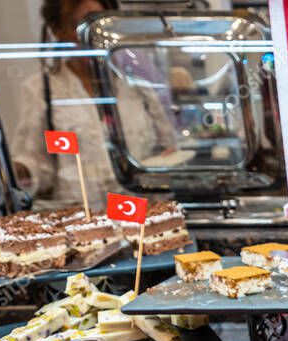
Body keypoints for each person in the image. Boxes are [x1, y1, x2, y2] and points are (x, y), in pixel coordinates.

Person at [11, 0, 176, 206]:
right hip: (81, 215)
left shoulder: (138, 87)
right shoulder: (42, 91)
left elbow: (168, 147)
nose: (92, 38)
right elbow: (35, 163)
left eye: (101, 27)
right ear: (58, 30)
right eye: (79, 27)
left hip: (140, 213)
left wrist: (167, 160)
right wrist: (17, 171)